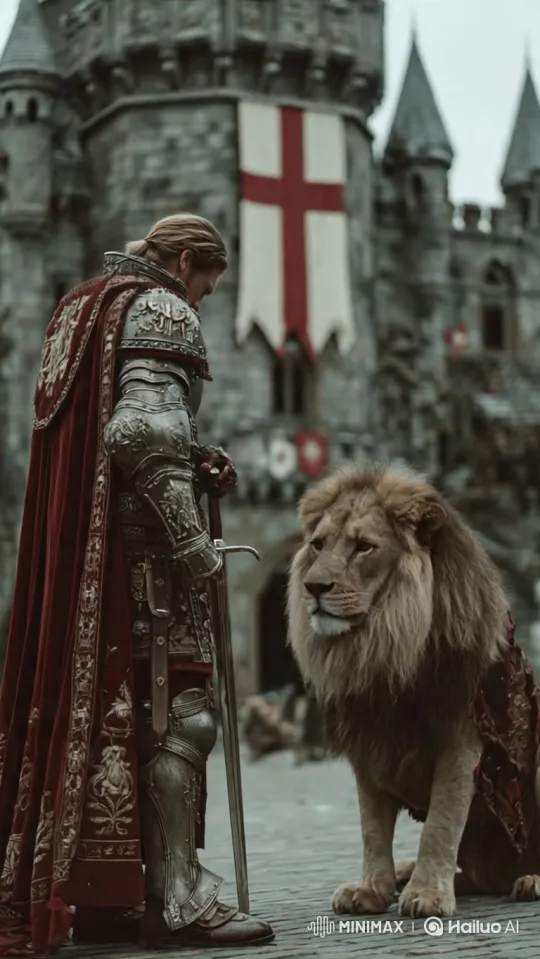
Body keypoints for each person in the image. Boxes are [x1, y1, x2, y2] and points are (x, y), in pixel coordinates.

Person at [0, 214, 274, 954]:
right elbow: (139, 433)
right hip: (144, 557)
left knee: (113, 719)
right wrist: (193, 546)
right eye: (208, 283)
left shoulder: (81, 305)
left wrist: (198, 453)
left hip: (90, 552)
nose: (205, 300)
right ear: (186, 260)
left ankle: (104, 895)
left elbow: (126, 426)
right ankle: (178, 898)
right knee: (181, 715)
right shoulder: (159, 307)